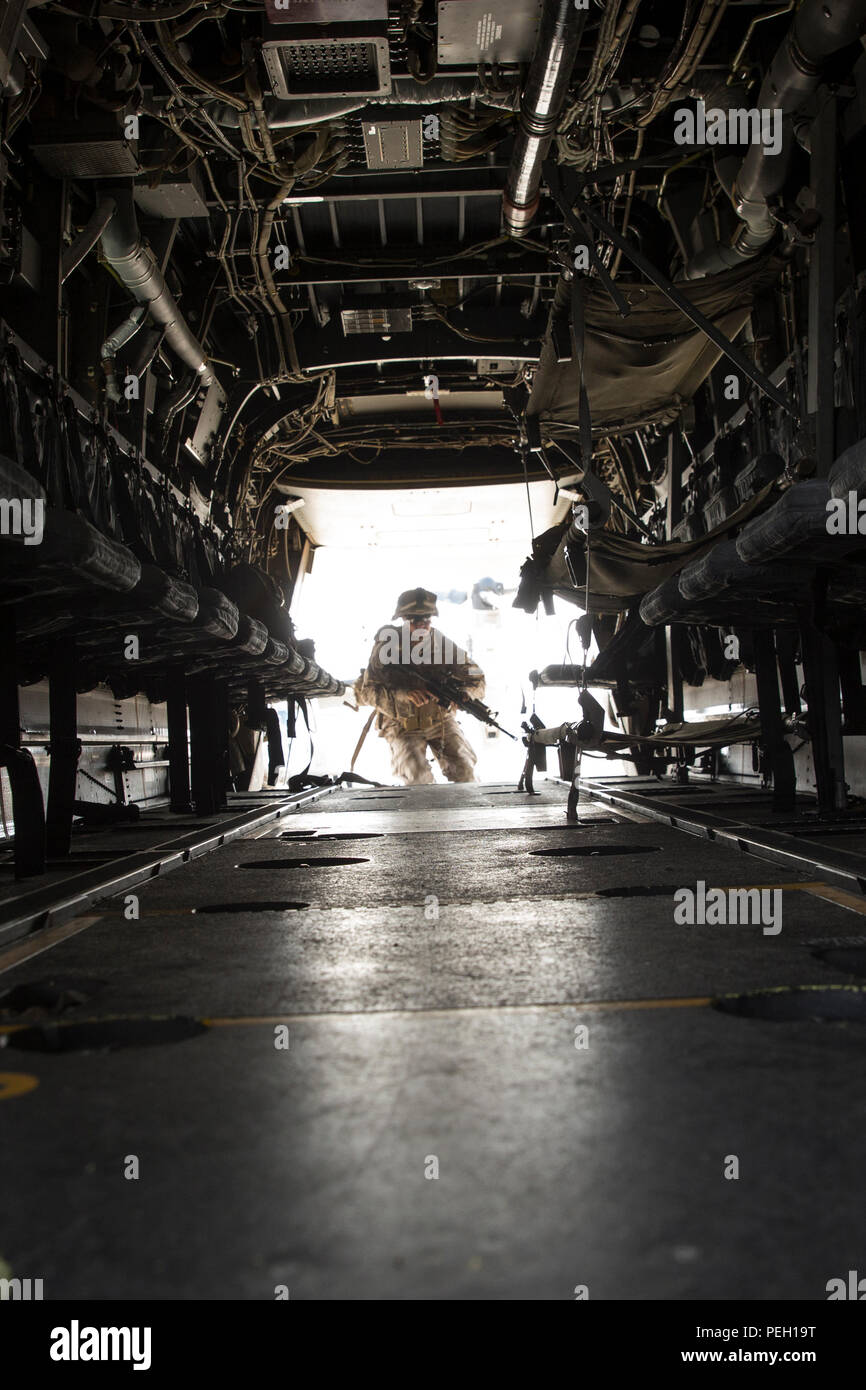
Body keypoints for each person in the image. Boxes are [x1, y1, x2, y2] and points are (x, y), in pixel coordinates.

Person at [354, 587, 485, 785]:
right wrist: (403, 694)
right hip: (401, 722)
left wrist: (467, 693)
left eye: (427, 619)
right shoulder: (387, 645)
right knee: (417, 780)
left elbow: (477, 676)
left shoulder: (442, 644)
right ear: (403, 619)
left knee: (466, 773)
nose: (422, 625)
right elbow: (368, 691)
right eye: (415, 620)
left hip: (440, 719)